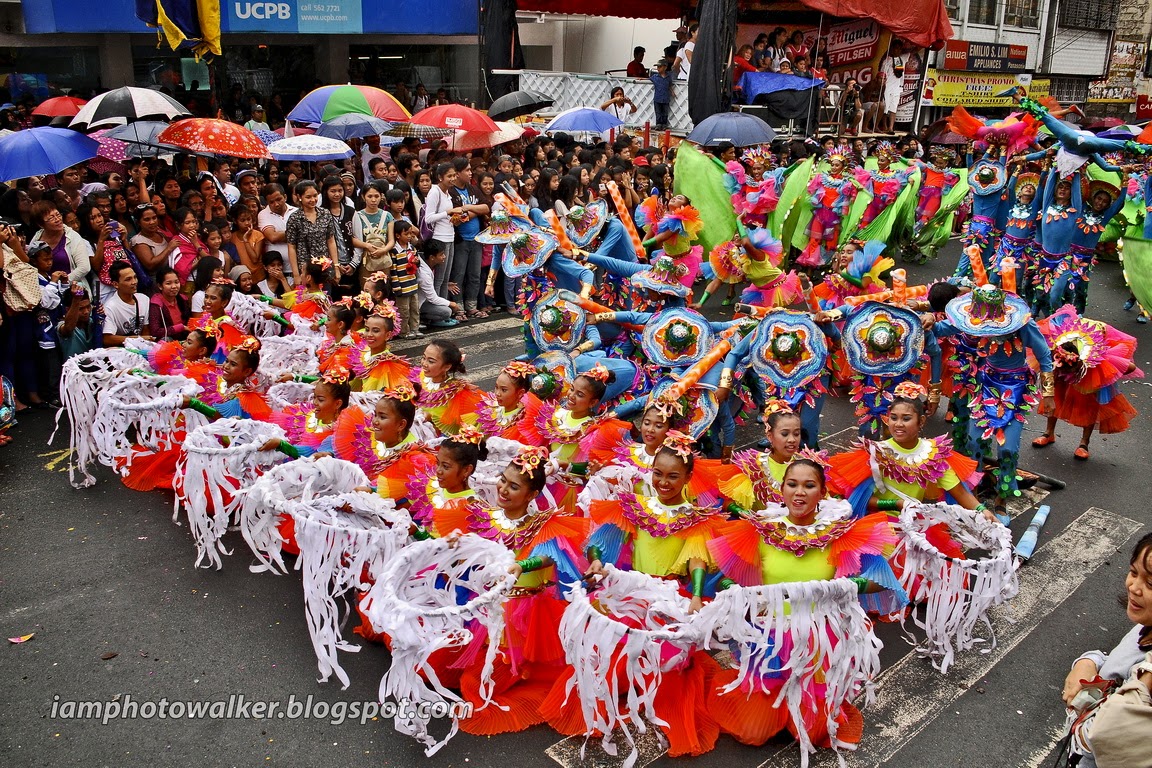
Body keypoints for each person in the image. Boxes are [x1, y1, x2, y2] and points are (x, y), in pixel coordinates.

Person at [1060, 533, 1152, 768]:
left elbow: (1098, 735)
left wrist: (1079, 710)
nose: (1134, 587)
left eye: (1150, 584)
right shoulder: (1145, 628)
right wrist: (1087, 662)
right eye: (1133, 573)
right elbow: (1114, 663)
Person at [284, 180, 338, 286]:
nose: (313, 200)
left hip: (324, 268)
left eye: (315, 196)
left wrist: (336, 266)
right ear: (299, 197)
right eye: (308, 197)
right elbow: (292, 247)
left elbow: (331, 241)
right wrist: (296, 275)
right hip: (305, 270)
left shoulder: (325, 214)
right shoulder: (294, 218)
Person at [102, 260, 151, 347]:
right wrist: (137, 339)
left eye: (135, 277)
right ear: (115, 284)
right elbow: (107, 339)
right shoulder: (110, 307)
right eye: (128, 279)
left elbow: (145, 328)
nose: (134, 282)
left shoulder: (144, 299)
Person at [417, 239, 461, 328]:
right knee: (446, 311)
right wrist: (452, 304)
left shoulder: (426, 262)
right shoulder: (424, 274)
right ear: (432, 257)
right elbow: (433, 298)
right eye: (441, 255)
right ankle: (423, 318)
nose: (444, 256)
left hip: (425, 299)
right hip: (420, 304)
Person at [388, 220, 422, 338]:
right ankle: (404, 331)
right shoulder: (394, 251)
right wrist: (397, 287)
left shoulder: (411, 248)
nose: (409, 236)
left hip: (412, 283)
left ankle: (415, 329)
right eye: (406, 234)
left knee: (415, 309)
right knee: (404, 310)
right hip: (402, 286)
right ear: (397, 235)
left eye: (410, 234)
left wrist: (417, 263)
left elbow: (417, 264)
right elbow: (393, 270)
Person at [258, 184, 297, 266]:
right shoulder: (263, 214)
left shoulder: (296, 212)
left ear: (285, 197)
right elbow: (273, 237)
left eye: (278, 199)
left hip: (298, 266)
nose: (276, 204)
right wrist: (296, 232)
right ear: (267, 202)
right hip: (276, 268)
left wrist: (282, 235)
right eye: (271, 202)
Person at [148, 266, 189, 341]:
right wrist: (180, 328)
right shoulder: (156, 304)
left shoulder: (183, 299)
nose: (174, 286)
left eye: (176, 282)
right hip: (166, 343)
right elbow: (155, 332)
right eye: (168, 283)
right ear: (160, 286)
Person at [878, 41, 907, 133]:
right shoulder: (886, 60)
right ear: (892, 49)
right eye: (895, 48)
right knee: (885, 108)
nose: (897, 50)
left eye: (899, 48)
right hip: (887, 86)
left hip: (896, 88)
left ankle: (891, 127)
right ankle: (885, 126)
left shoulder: (901, 59)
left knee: (893, 108)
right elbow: (882, 74)